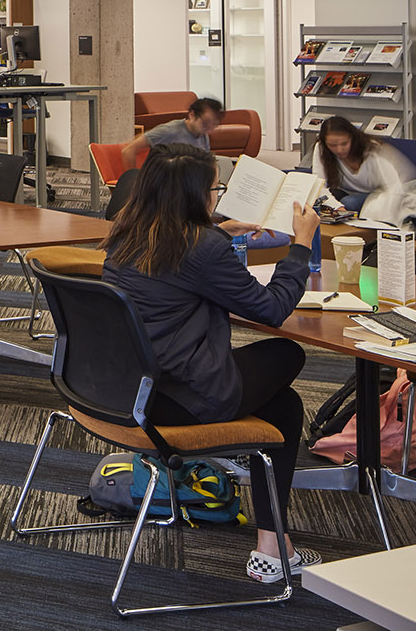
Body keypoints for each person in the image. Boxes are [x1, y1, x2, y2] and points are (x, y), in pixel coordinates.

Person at [100, 143, 320, 585]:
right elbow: (272, 308)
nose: (216, 196)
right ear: (197, 196)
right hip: (174, 401)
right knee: (287, 353)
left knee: (282, 410)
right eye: (214, 189)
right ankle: (271, 544)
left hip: (119, 389)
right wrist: (298, 245)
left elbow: (181, 264)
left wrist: (219, 230)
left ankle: (274, 546)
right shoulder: (201, 248)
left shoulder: (126, 231)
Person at [311, 115, 415, 214]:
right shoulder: (321, 148)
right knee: (313, 199)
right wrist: (337, 207)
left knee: (349, 202)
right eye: (332, 145)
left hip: (381, 194)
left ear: (352, 138)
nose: (339, 150)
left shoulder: (372, 150)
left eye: (344, 143)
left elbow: (394, 189)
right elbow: (319, 185)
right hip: (346, 192)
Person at [119, 95, 224, 167]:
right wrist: (134, 182)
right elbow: (128, 151)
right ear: (192, 114)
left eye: (213, 125)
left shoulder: (202, 134)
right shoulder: (170, 130)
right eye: (205, 123)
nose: (209, 129)